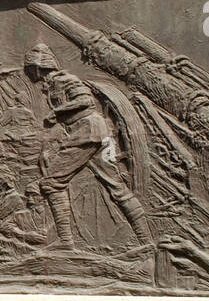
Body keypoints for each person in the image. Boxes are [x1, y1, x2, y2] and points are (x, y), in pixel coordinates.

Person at [23, 42, 152, 250]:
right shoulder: (53, 84)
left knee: (51, 183)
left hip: (87, 132)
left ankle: (65, 241)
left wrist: (58, 112)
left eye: (29, 69)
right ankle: (146, 242)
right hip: (94, 133)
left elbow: (86, 101)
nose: (28, 74)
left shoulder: (66, 80)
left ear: (39, 67)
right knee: (117, 187)